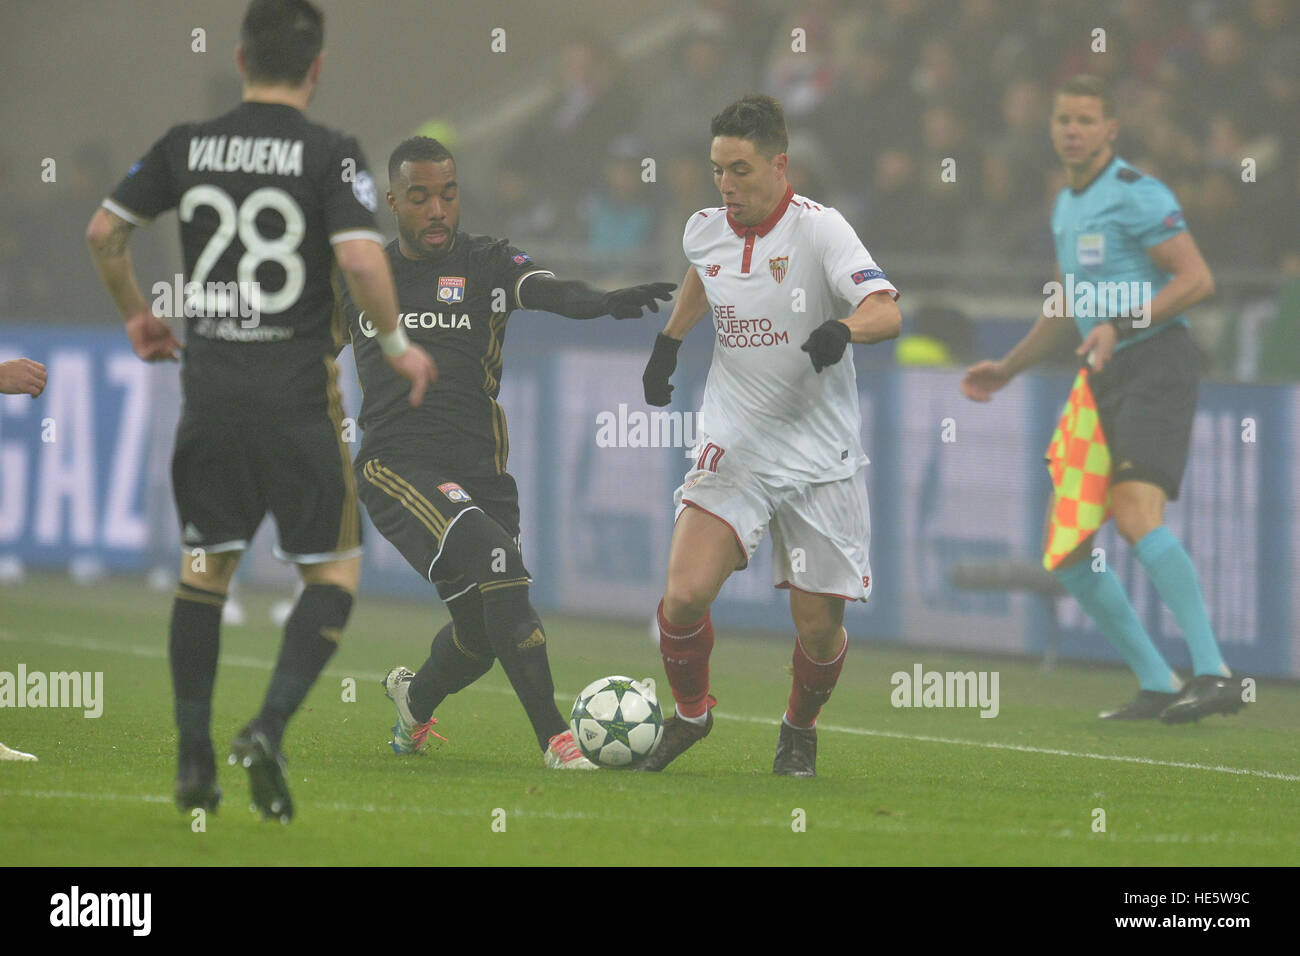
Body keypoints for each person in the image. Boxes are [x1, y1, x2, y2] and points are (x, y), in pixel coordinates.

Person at [84, 0, 435, 821]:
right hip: (294, 400)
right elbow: (360, 260)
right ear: (316, 68)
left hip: (209, 396)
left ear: (240, 58)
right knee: (334, 573)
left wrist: (137, 312)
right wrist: (392, 343)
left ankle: (192, 755)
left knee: (205, 570)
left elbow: (104, 231)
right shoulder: (330, 152)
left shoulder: (186, 144)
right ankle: (269, 727)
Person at [344, 136, 674, 768]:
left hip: (482, 469)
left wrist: (604, 302)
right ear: (392, 202)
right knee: (500, 565)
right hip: (397, 466)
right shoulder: (364, 275)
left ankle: (413, 702)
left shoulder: (488, 262)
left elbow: (548, 289)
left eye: (448, 193)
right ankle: (558, 740)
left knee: (479, 635)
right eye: (419, 198)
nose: (438, 210)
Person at [960, 75, 1240, 723]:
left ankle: (1215, 673)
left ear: (1111, 129)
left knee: (1137, 516)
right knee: (1068, 550)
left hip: (1156, 366)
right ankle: (1157, 682)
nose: (1073, 130)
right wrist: (1006, 367)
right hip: (1099, 378)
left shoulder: (1138, 195)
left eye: (1087, 119)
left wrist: (1126, 322)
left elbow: (1197, 280)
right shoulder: (1064, 205)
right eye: (1063, 119)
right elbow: (1065, 307)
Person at [638, 94, 901, 776]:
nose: (727, 186)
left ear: (780, 165)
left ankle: (798, 728)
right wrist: (670, 341)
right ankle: (692, 716)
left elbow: (886, 309)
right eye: (718, 169)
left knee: (819, 632)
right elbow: (707, 272)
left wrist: (844, 327)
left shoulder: (822, 231)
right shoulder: (706, 227)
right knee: (685, 593)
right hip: (737, 444)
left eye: (742, 170)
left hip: (820, 457)